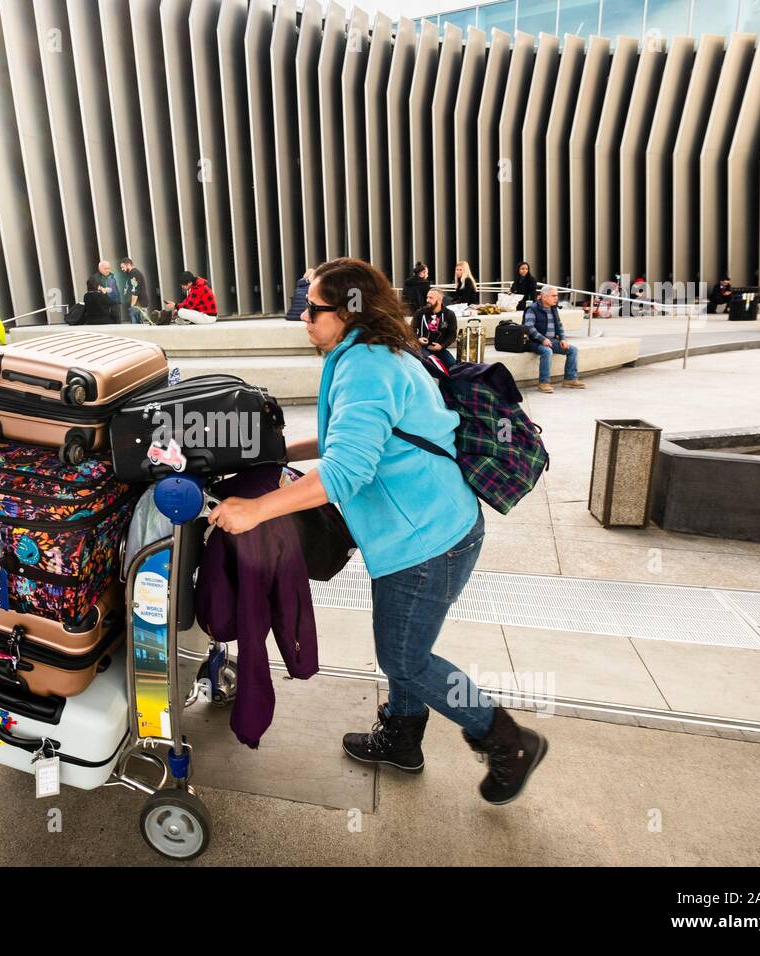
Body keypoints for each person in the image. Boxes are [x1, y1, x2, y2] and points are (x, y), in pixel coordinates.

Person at [207, 257, 548, 805]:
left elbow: (346, 472)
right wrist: (281, 452)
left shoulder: (366, 366)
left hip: (426, 542)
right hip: (429, 529)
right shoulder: (373, 350)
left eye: (312, 310)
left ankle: (506, 740)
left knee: (406, 657)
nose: (304, 319)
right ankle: (402, 739)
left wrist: (255, 510)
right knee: (404, 644)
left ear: (347, 312)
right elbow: (353, 439)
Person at [523, 285, 584, 393]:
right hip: (533, 342)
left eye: (557, 296)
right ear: (544, 297)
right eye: (554, 296)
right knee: (547, 351)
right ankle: (544, 383)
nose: (556, 298)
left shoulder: (553, 309)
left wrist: (563, 339)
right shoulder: (532, 309)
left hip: (551, 340)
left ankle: (570, 379)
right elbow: (529, 328)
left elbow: (559, 326)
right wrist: (542, 339)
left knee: (572, 349)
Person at [411, 287, 457, 365]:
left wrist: (441, 346)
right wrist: (418, 339)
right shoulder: (420, 313)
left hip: (439, 348)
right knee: (430, 362)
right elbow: (411, 330)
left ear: (439, 300)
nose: (427, 300)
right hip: (422, 347)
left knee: (452, 364)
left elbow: (452, 335)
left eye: (431, 298)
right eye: (427, 297)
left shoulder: (449, 314)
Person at [119, 256, 151, 324]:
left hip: (138, 304)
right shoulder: (132, 274)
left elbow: (135, 290)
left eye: (123, 267)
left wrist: (132, 305)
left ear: (128, 264)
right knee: (137, 325)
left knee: (136, 325)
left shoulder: (134, 273)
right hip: (138, 304)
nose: (122, 269)